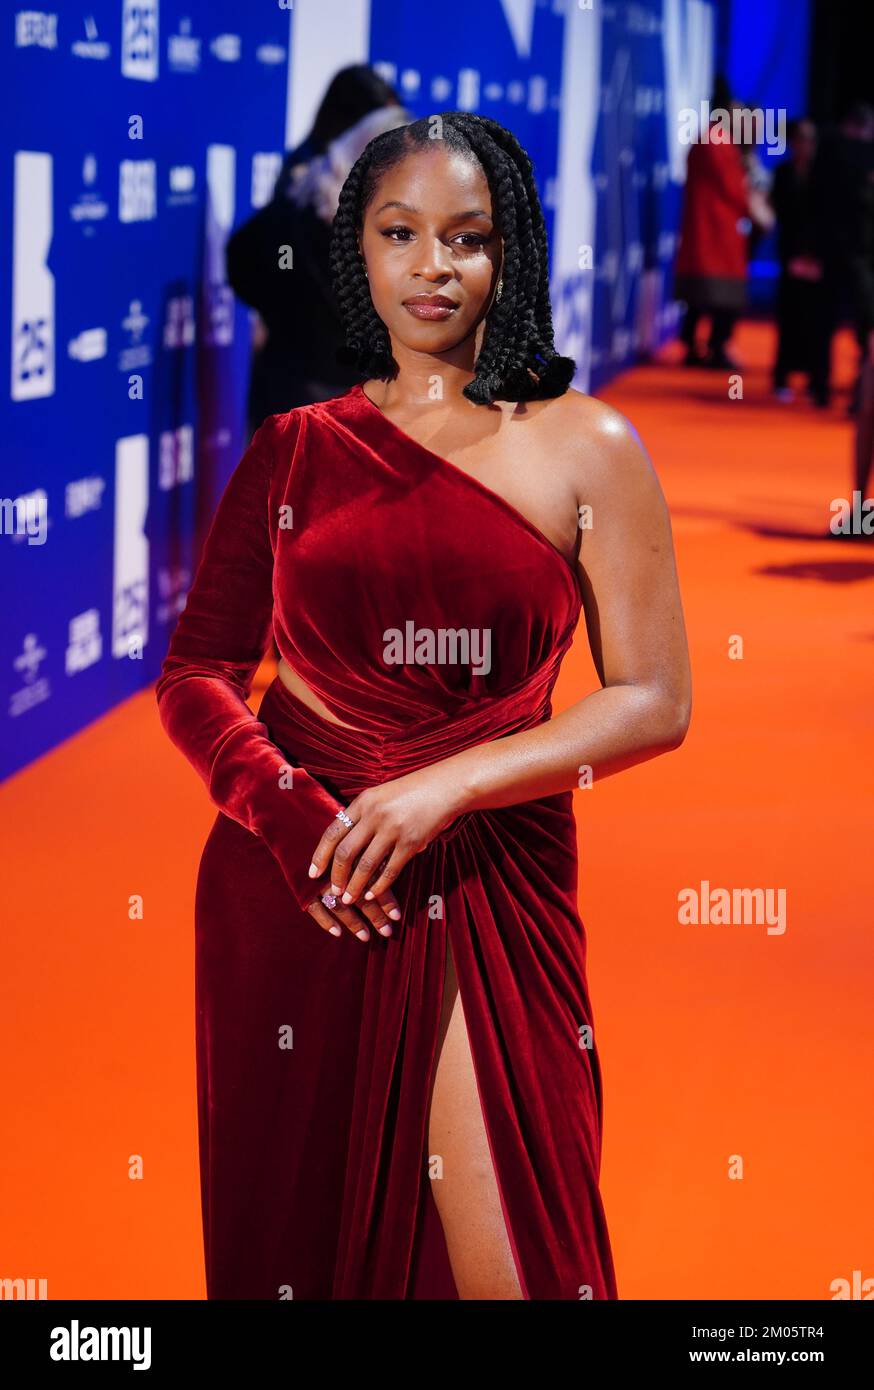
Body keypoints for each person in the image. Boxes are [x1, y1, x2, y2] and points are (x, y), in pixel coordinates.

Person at [156, 112, 692, 1300]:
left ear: (514, 255)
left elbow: (654, 699)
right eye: (400, 236)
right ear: (360, 253)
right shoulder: (296, 448)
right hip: (301, 879)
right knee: (297, 1235)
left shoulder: (585, 444)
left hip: (489, 874)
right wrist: (292, 817)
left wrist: (447, 783)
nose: (432, 269)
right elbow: (196, 672)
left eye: (466, 238)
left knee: (506, 1242)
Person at [226, 66, 407, 437]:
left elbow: (245, 262)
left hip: (331, 393)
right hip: (310, 393)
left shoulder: (306, 196)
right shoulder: (305, 190)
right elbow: (249, 261)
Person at [674, 77, 750, 369]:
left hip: (706, 229)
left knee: (700, 294)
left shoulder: (708, 139)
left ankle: (693, 344)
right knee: (721, 293)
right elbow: (733, 189)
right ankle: (716, 345)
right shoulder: (718, 141)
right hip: (717, 231)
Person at [769, 118, 826, 403]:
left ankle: (818, 382)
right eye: (800, 139)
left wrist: (817, 254)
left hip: (819, 260)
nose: (805, 145)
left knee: (817, 322)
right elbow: (780, 213)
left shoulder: (825, 175)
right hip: (790, 256)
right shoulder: (781, 173)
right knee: (788, 318)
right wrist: (793, 255)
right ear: (792, 143)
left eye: (810, 139)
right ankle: (781, 378)